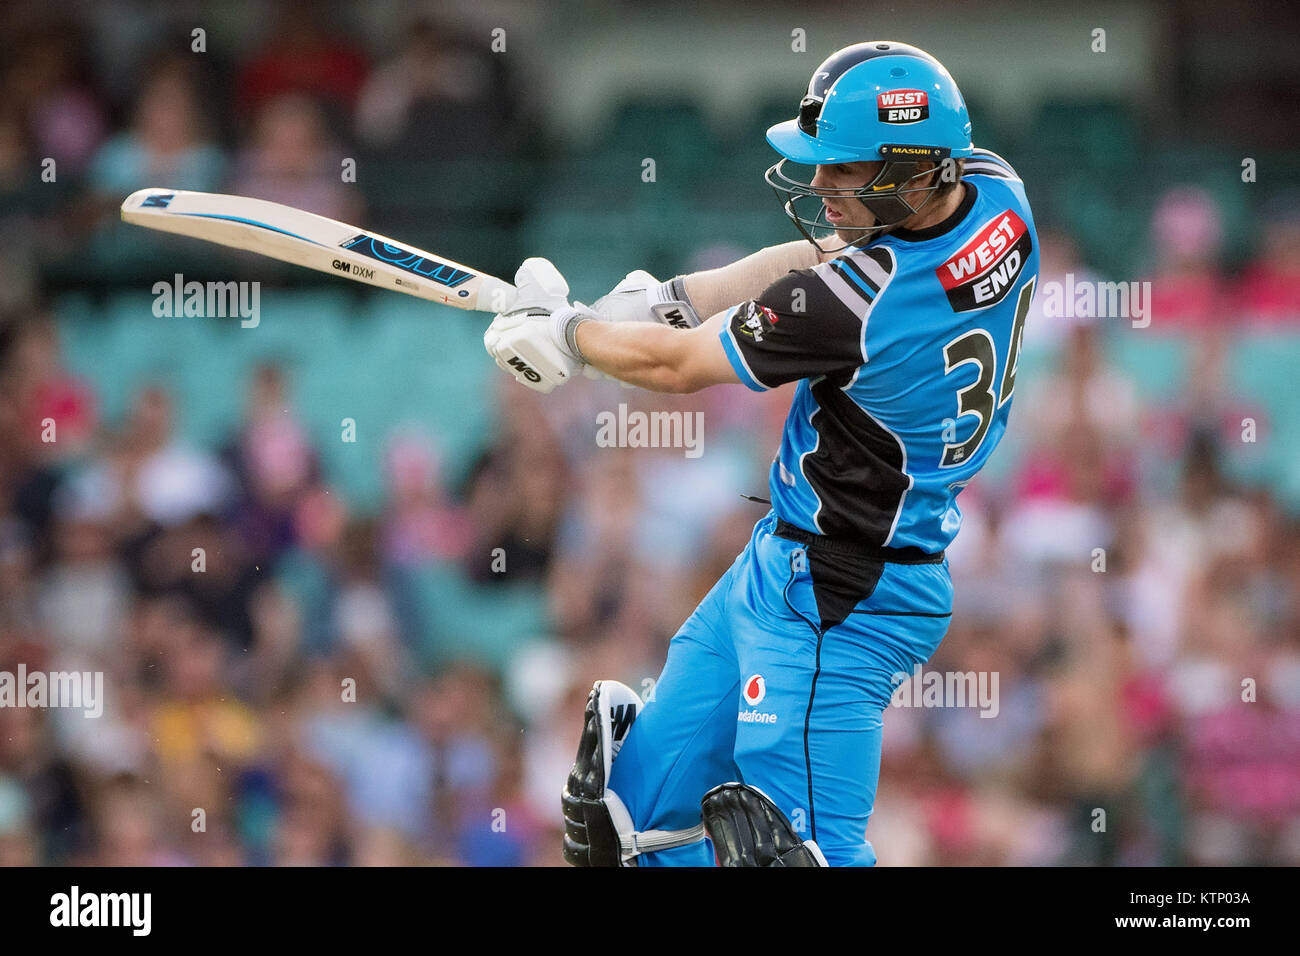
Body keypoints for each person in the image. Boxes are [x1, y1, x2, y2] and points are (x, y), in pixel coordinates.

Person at [482, 41, 1039, 866]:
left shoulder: (865, 304)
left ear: (913, 171)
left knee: (799, 855)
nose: (818, 186)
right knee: (625, 827)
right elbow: (814, 265)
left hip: (843, 599)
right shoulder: (999, 195)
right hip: (780, 565)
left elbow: (678, 370)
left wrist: (570, 334)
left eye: (842, 171)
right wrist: (669, 299)